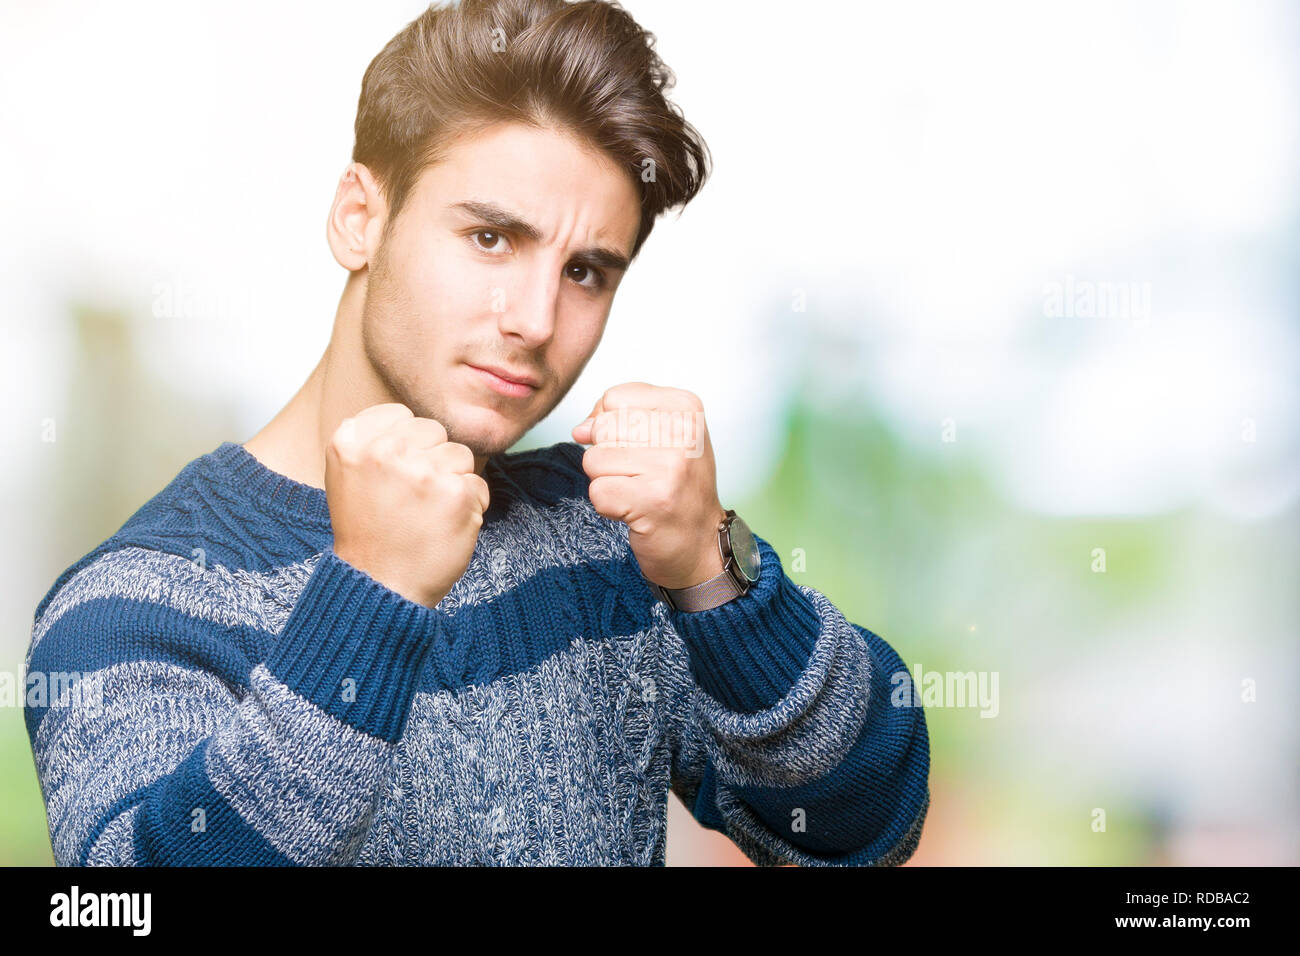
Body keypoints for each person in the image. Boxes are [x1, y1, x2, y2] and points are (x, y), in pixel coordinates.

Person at [23, 0, 930, 866]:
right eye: (492, 238)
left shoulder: (606, 541)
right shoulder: (133, 604)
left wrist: (714, 578)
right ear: (359, 219)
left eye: (585, 271)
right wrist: (369, 599)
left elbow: (867, 826)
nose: (535, 320)